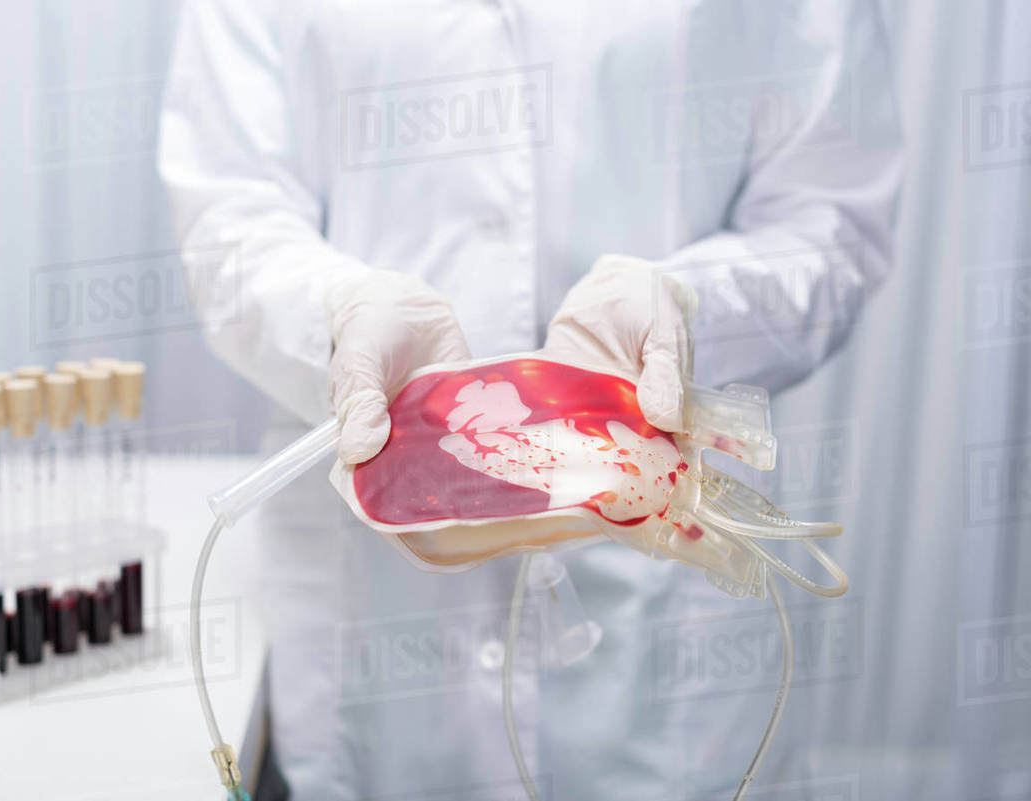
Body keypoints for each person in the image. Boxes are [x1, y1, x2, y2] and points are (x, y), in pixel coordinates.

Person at [159, 1, 901, 798]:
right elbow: (231, 219)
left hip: (662, 623)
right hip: (378, 623)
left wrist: (691, 311)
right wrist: (335, 319)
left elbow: (829, 215)